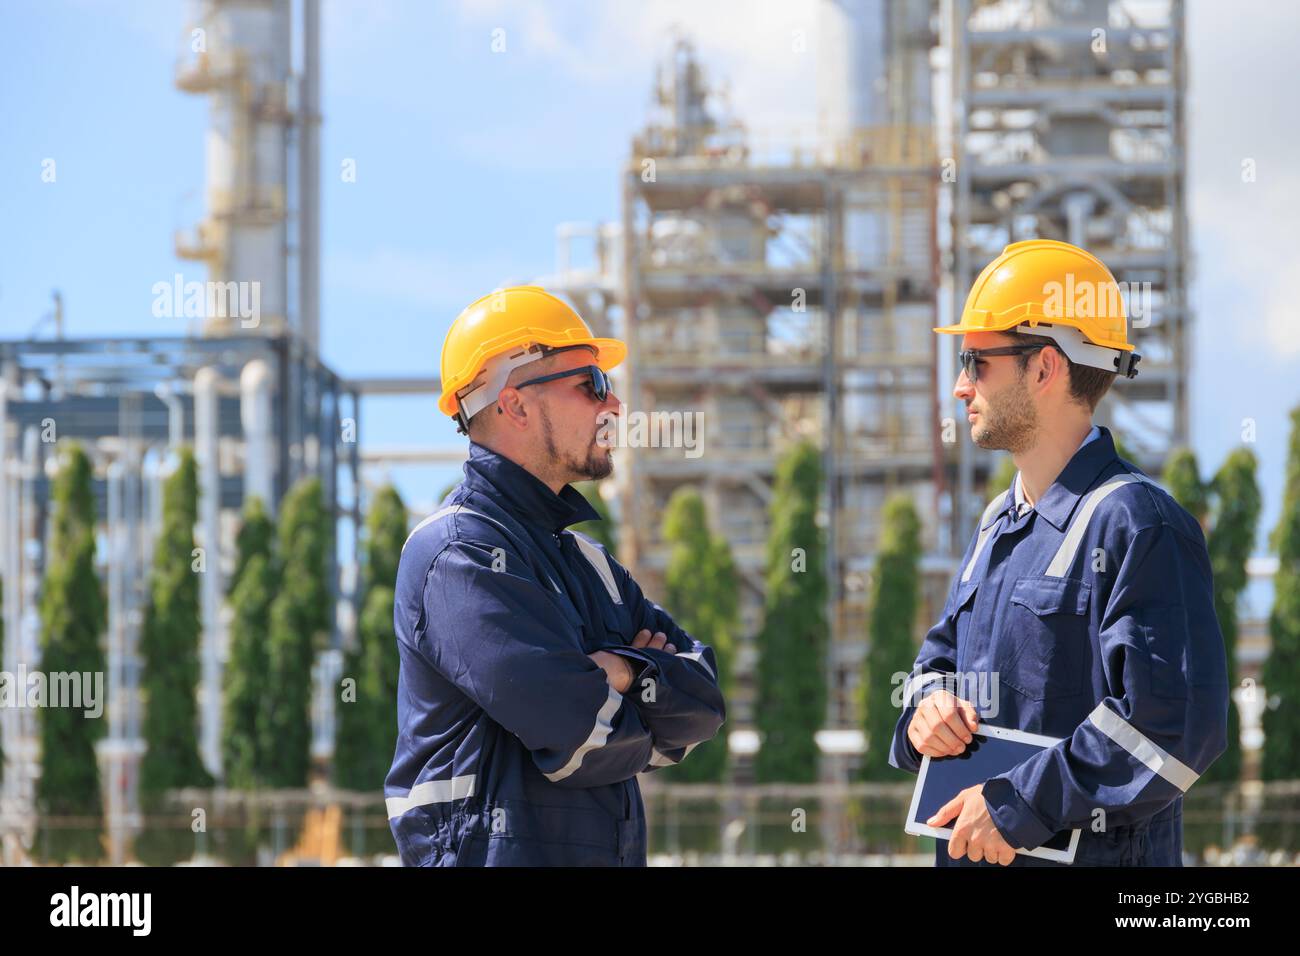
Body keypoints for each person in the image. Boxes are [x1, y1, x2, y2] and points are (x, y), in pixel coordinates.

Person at [888, 240, 1228, 866]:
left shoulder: (1140, 524)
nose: (961, 386)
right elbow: (935, 661)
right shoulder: (998, 524)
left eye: (976, 361)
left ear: (1045, 367)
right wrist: (924, 712)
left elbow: (1174, 729)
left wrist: (1018, 804)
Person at [385, 285, 726, 866]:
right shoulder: (458, 554)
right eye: (591, 384)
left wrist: (619, 671)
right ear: (515, 404)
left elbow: (701, 708)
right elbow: (579, 739)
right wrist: (645, 694)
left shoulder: (587, 563)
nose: (614, 404)